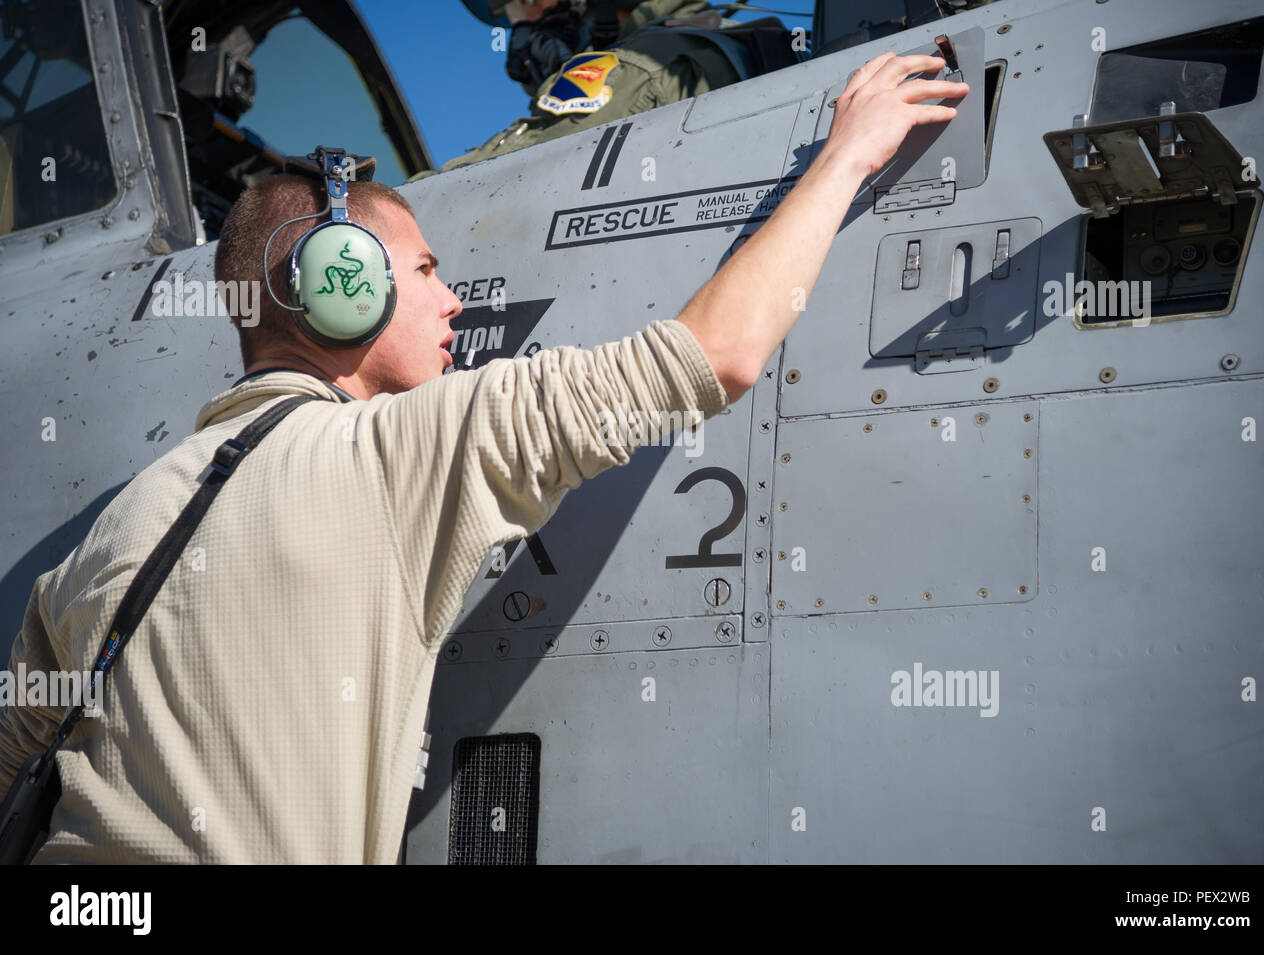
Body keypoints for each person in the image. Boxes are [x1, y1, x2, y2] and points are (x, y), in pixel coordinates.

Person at [0, 53, 968, 863]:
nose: (454, 300)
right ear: (342, 287)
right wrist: (847, 157)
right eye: (424, 270)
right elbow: (715, 356)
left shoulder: (114, 532)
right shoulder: (401, 453)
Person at [426, 0, 774, 174]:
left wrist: (376, 204)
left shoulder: (637, 67)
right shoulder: (718, 44)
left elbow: (510, 175)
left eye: (531, 1)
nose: (525, 21)